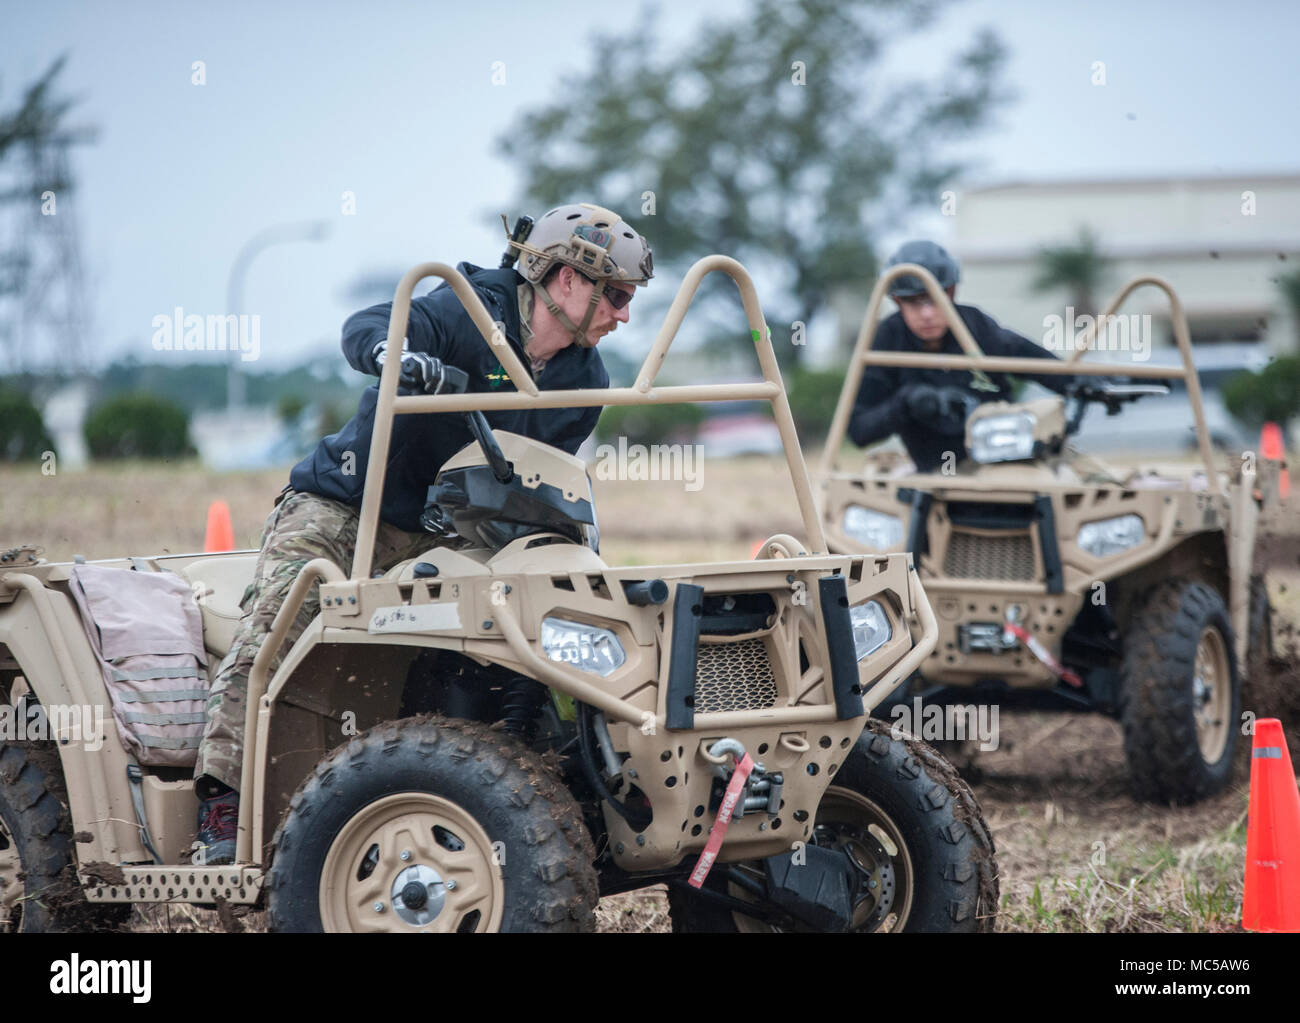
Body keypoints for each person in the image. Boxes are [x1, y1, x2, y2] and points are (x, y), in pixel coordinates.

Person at [192, 202, 654, 864]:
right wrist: (396, 355)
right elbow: (369, 325)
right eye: (616, 294)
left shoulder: (586, 379)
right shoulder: (465, 307)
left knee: (527, 639)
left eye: (631, 298)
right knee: (279, 624)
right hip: (348, 507)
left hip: (456, 533)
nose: (625, 314)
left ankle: (515, 801)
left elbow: (538, 486)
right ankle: (222, 804)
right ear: (566, 279)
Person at [849, 240, 1073, 472]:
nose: (926, 314)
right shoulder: (887, 340)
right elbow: (859, 431)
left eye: (934, 299)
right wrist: (906, 402)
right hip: (932, 477)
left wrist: (1085, 382)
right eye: (913, 302)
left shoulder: (976, 327)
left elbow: (1038, 363)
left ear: (952, 292)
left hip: (1002, 468)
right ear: (897, 301)